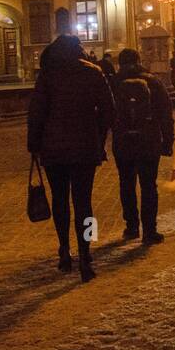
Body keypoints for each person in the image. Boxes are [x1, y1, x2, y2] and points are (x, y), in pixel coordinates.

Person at [27, 34, 116, 282]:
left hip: (53, 149)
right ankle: (86, 253)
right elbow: (110, 111)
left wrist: (34, 145)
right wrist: (97, 136)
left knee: (60, 202)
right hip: (85, 148)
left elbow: (36, 113)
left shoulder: (47, 75)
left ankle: (64, 250)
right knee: (85, 203)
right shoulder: (93, 72)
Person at [111, 49, 174, 245]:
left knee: (126, 184)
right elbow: (165, 113)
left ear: (119, 63)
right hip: (149, 140)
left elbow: (103, 114)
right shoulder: (153, 81)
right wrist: (167, 141)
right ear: (139, 60)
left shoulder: (112, 83)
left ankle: (131, 227)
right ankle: (150, 230)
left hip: (123, 141)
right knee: (149, 185)